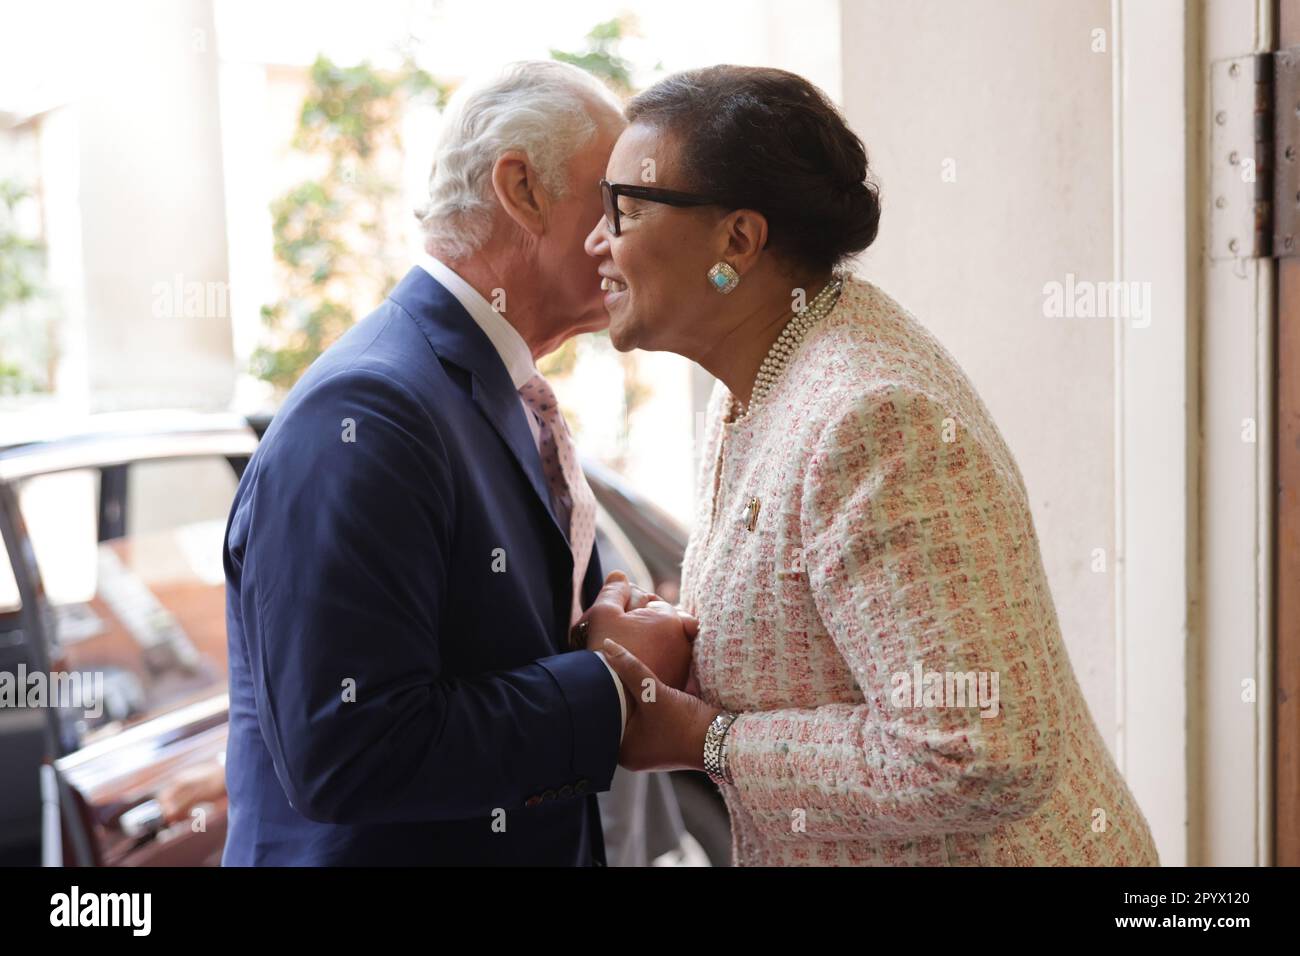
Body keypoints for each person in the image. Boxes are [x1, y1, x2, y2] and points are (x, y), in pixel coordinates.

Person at [583, 65, 1161, 866]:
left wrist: (709, 740)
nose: (597, 240)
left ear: (737, 240)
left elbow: (981, 751)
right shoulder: (754, 382)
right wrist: (672, 642)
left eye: (627, 209)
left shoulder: (872, 418)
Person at [222, 60, 693, 866]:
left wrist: (595, 635)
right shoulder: (368, 410)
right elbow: (351, 750)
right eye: (614, 201)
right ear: (523, 190)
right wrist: (609, 682)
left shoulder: (475, 389)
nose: (629, 235)